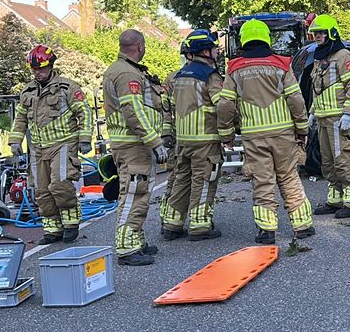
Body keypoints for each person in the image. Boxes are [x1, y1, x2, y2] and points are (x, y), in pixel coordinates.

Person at [217, 19, 314, 244]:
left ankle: (267, 230)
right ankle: (302, 226)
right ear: (266, 38)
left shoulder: (234, 68)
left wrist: (226, 135)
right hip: (283, 133)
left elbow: (225, 105)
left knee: (262, 181)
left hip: (254, 136)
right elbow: (296, 99)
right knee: (289, 177)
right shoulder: (282, 64)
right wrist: (302, 128)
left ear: (243, 40)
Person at [9, 44, 94, 245]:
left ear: (51, 66)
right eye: (34, 70)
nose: (37, 73)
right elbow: (20, 118)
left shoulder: (67, 88)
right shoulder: (28, 91)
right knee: (41, 190)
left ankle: (70, 224)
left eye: (41, 69)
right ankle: (53, 229)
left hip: (62, 145)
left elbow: (84, 112)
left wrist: (85, 139)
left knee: (60, 185)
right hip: (37, 148)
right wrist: (15, 141)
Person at [103, 30, 168, 266]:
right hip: (133, 144)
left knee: (140, 192)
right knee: (133, 193)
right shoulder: (127, 73)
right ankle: (127, 247)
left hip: (132, 143)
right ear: (140, 46)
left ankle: (136, 240)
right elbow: (133, 111)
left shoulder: (124, 69)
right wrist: (155, 141)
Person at [160, 30, 224, 241]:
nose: (217, 52)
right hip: (205, 139)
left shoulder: (179, 76)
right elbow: (222, 105)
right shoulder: (210, 76)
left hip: (184, 140)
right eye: (214, 48)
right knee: (204, 181)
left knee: (182, 181)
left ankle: (172, 224)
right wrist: (230, 129)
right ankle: (200, 225)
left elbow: (170, 107)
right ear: (205, 51)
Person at [306, 15, 350, 219]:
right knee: (328, 162)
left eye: (321, 33)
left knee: (343, 160)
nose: (317, 36)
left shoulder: (343, 55)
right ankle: (335, 199)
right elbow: (317, 89)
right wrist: (312, 113)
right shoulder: (320, 57)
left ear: (331, 33)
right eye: (315, 33)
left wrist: (348, 112)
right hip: (323, 118)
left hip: (339, 118)